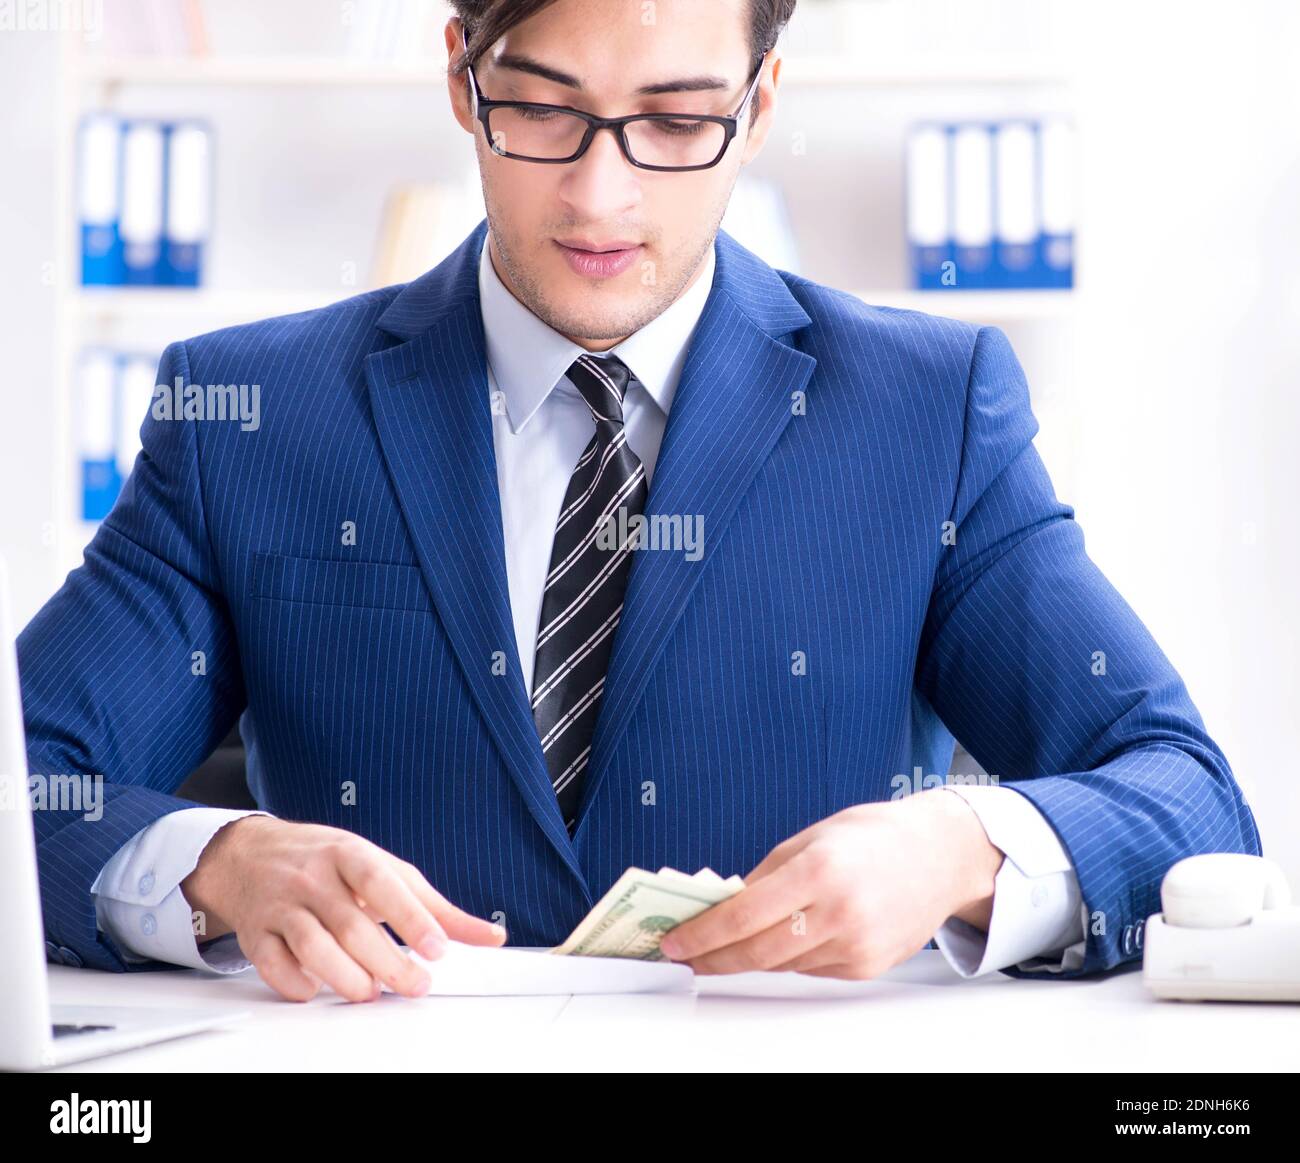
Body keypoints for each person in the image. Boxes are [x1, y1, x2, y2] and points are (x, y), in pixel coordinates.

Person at [20, 0, 1260, 1003]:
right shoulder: (251, 409)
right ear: (461, 77)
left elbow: (1184, 793)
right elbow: (27, 772)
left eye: (674, 122)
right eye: (543, 109)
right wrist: (217, 860)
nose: (599, 198)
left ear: (761, 100)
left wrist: (965, 849)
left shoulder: (928, 411)